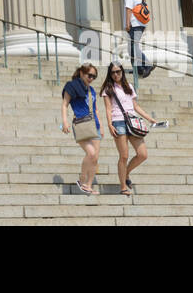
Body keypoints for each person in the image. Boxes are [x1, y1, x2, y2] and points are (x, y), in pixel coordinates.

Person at [101, 63, 159, 197]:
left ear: (122, 72)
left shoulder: (129, 86)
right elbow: (108, 109)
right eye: (113, 72)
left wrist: (149, 118)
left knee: (142, 154)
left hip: (133, 121)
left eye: (118, 71)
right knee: (124, 155)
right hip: (118, 121)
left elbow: (135, 106)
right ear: (110, 74)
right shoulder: (108, 88)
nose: (116, 74)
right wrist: (109, 125)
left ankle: (126, 172)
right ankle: (122, 186)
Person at [60, 63, 101, 195]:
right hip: (80, 124)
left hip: (94, 125)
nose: (91, 78)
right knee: (91, 153)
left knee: (95, 158)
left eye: (94, 76)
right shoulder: (71, 86)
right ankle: (81, 179)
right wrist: (65, 122)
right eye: (89, 75)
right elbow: (65, 104)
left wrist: (100, 125)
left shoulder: (92, 90)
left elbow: (95, 109)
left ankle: (88, 185)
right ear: (82, 73)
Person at [123, 0, 150, 75]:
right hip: (140, 24)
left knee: (133, 47)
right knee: (133, 47)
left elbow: (129, 9)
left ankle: (147, 65)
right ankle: (138, 69)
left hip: (134, 24)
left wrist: (127, 24)